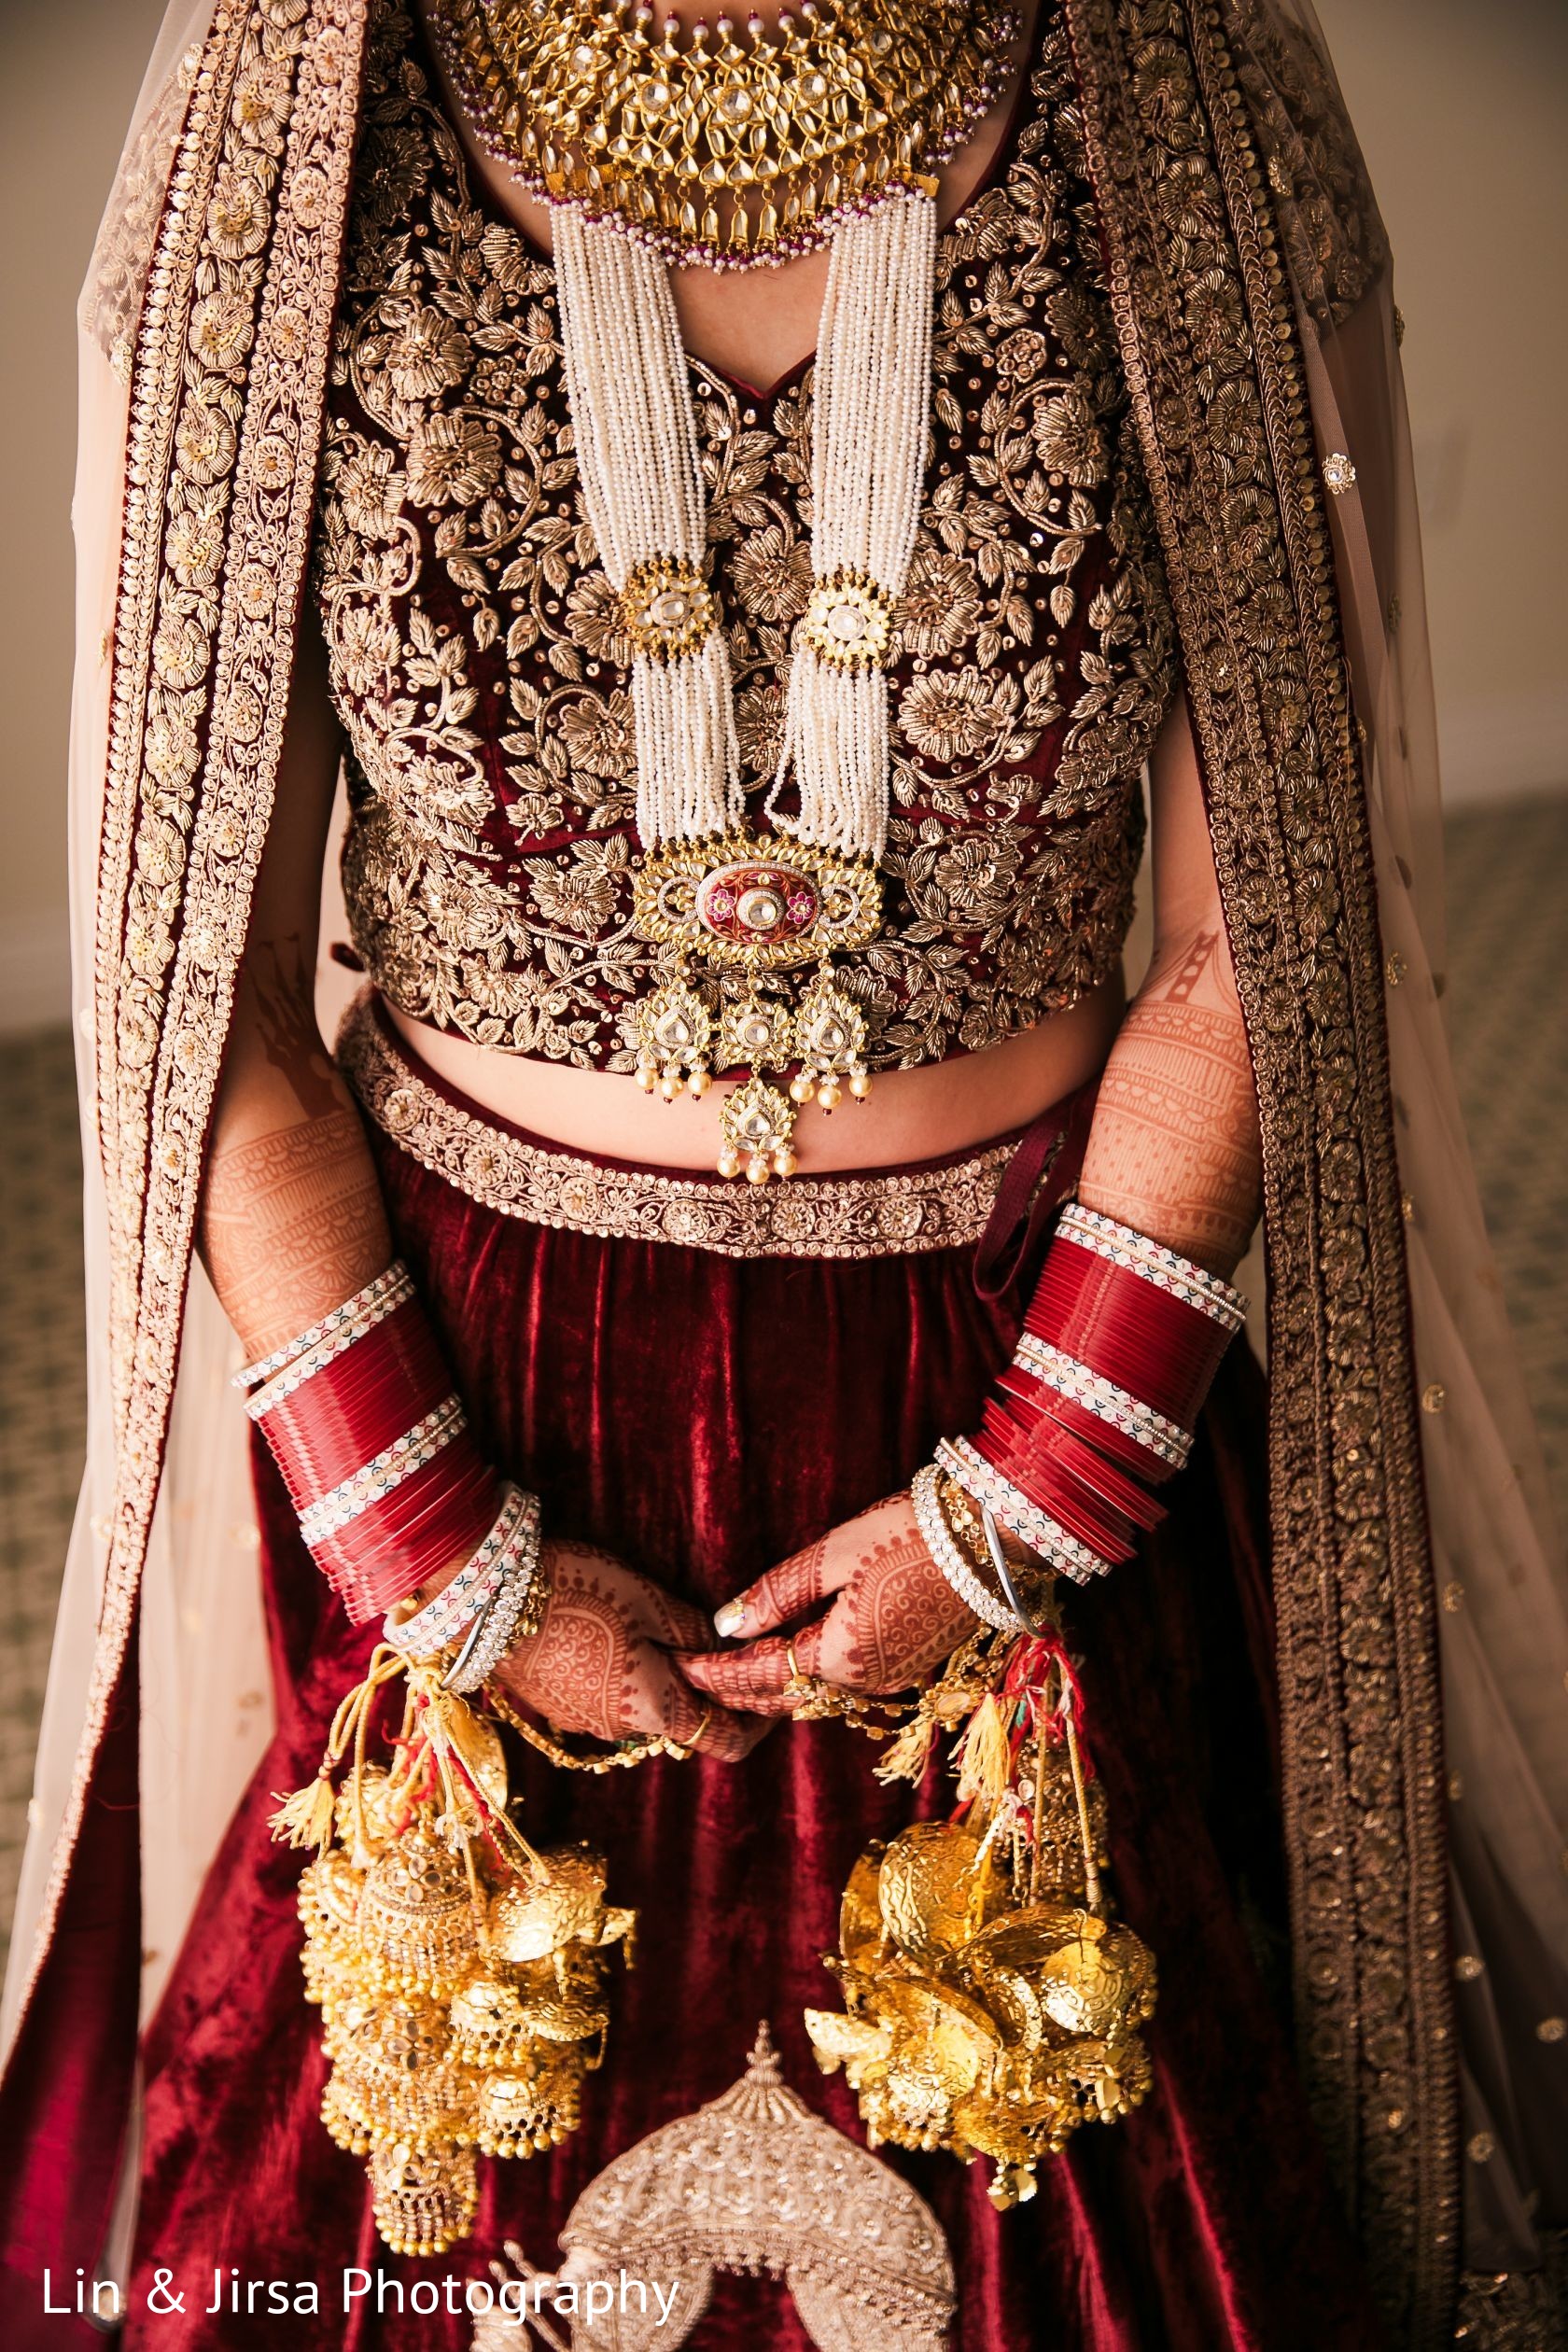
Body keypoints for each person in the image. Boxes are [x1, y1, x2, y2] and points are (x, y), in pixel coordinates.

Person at [1, 1, 1563, 2345]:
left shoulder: (1179, 84)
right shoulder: (284, 141)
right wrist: (438, 1552)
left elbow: (1257, 958)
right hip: (476, 1370)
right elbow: (191, 1001)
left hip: (1033, 1344)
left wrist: (1026, 1498)